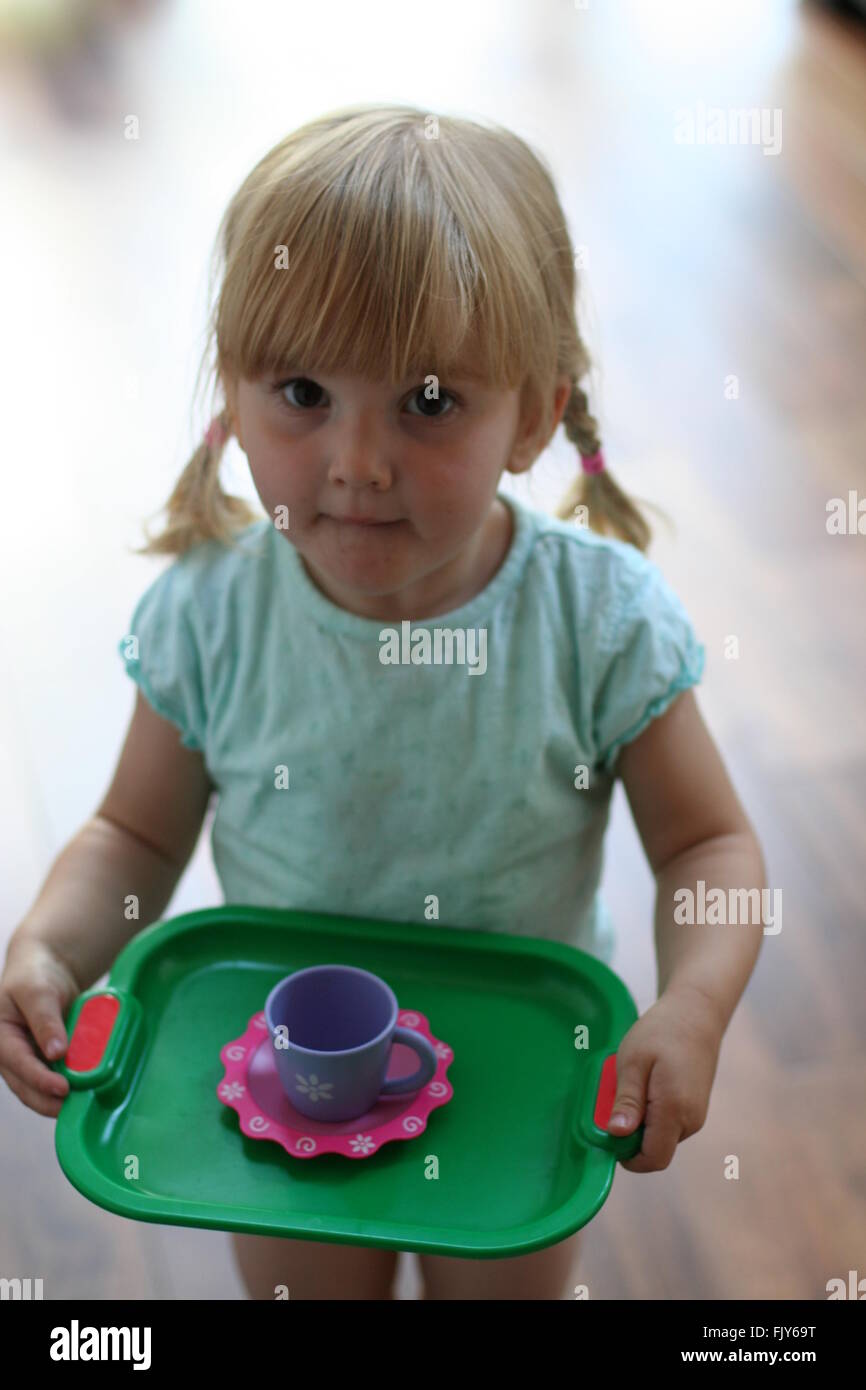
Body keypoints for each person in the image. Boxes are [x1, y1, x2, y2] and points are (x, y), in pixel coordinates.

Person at [0, 102, 767, 1300]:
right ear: (231, 396)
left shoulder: (596, 622)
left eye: (425, 401)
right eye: (301, 392)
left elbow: (707, 843)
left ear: (534, 412)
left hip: (524, 1075)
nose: (355, 460)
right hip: (277, 1077)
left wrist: (693, 1005)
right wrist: (51, 943)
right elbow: (134, 836)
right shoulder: (214, 616)